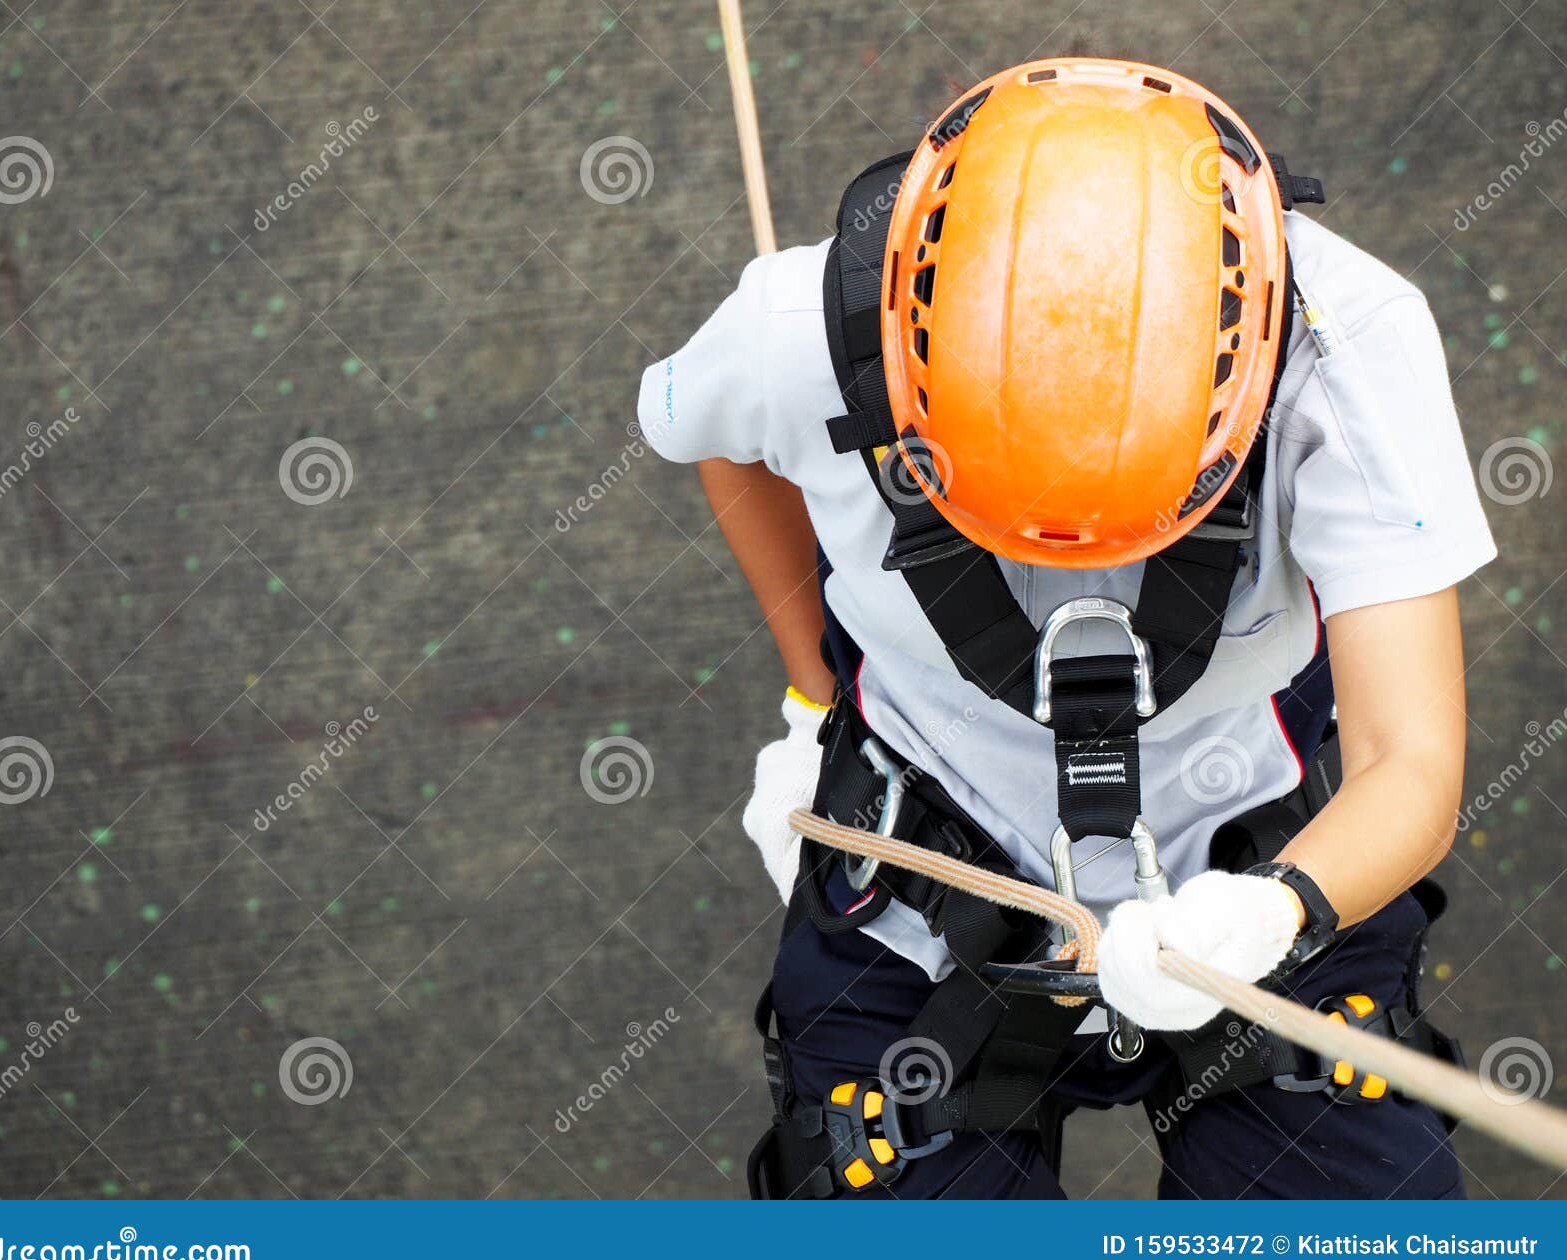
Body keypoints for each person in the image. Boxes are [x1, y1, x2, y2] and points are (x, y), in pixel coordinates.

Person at [637, 57, 1495, 1200]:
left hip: (1253, 851)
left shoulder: (1345, 347)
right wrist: (813, 704)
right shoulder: (805, 327)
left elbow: (1409, 760)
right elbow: (715, 431)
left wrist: (1270, 910)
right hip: (919, 891)